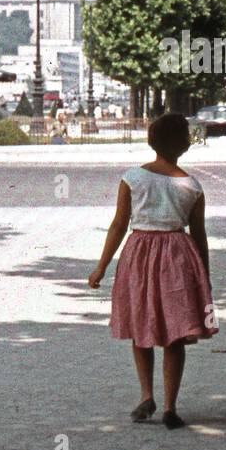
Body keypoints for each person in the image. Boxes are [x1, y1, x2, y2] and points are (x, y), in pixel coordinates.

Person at [88, 112, 217, 428]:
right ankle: (171, 406)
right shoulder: (192, 185)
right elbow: (199, 235)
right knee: (175, 333)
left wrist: (101, 266)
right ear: (184, 145)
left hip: (140, 254)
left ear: (151, 141)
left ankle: (146, 395)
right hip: (178, 255)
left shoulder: (133, 177)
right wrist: (205, 276)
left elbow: (119, 225)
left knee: (141, 326)